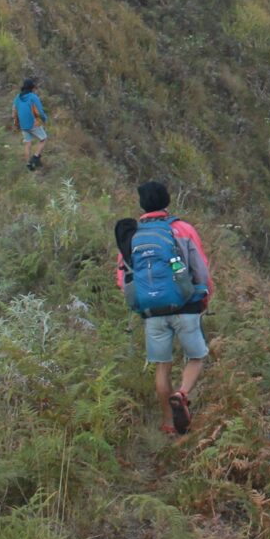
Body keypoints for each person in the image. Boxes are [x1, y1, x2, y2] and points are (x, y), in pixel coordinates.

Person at [115, 180, 213, 435]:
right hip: (186, 306)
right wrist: (204, 295)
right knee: (197, 356)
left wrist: (145, 301)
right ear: (166, 201)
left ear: (142, 205)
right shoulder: (182, 229)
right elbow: (200, 268)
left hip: (152, 312)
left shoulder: (132, 235)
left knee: (161, 365)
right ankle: (182, 393)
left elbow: (123, 277)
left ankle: (169, 423)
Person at [11, 78, 48, 170]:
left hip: (23, 125)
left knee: (28, 143)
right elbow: (40, 112)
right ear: (32, 87)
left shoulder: (17, 97)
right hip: (33, 123)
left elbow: (13, 112)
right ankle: (35, 157)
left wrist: (16, 124)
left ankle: (29, 165)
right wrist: (44, 119)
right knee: (43, 139)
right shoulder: (33, 97)